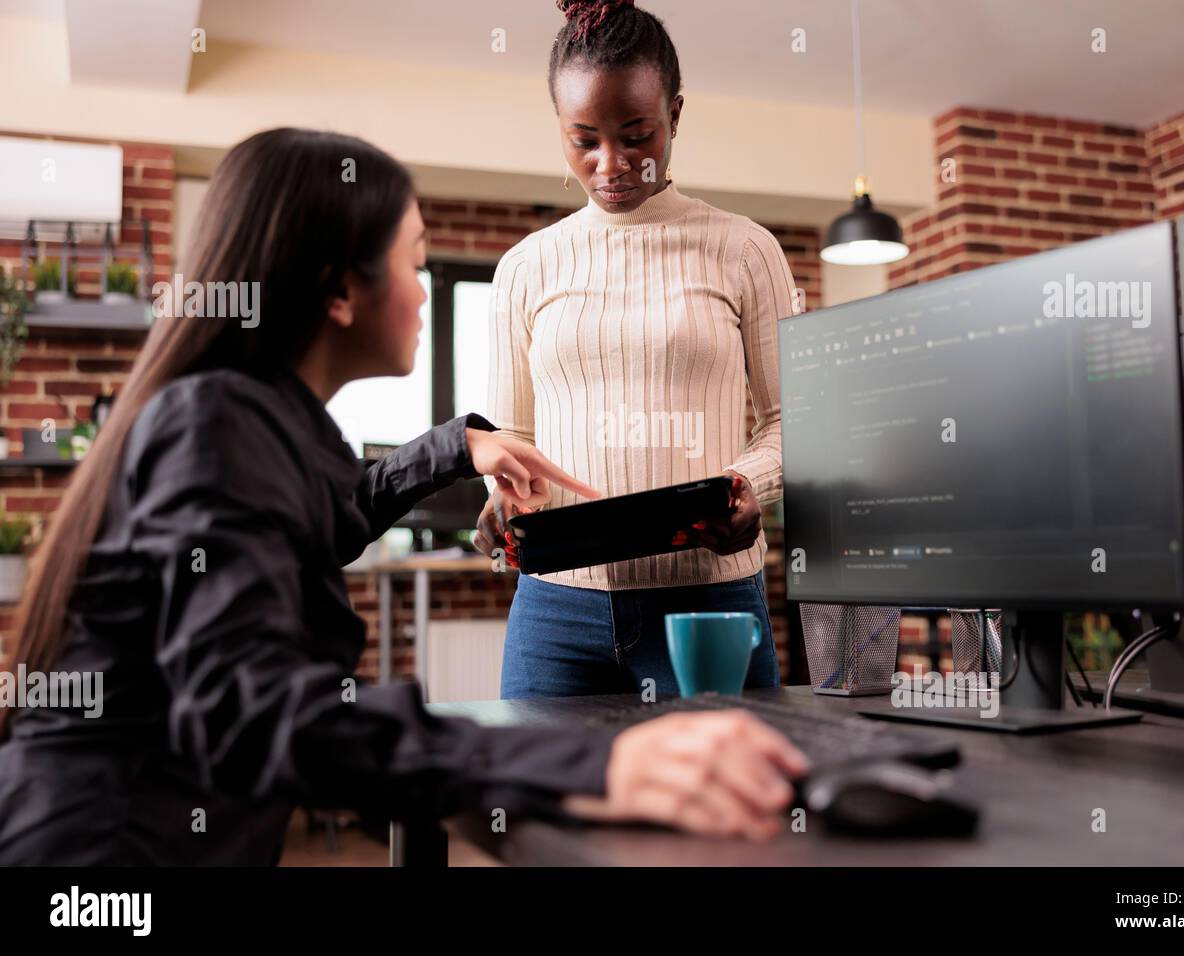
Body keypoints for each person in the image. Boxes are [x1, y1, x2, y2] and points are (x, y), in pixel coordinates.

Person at [0, 128, 808, 864]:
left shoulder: (256, 417)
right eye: (414, 262)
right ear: (339, 292)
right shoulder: (215, 423)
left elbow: (334, 515)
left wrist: (458, 446)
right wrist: (593, 764)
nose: (425, 291)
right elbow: (259, 715)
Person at [476, 0, 798, 699]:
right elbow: (511, 437)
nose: (612, 163)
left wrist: (748, 488)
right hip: (556, 612)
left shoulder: (746, 250)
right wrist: (503, 495)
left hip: (706, 605)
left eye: (637, 134)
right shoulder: (526, 268)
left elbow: (790, 420)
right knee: (535, 805)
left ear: (675, 116)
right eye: (584, 139)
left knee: (725, 806)